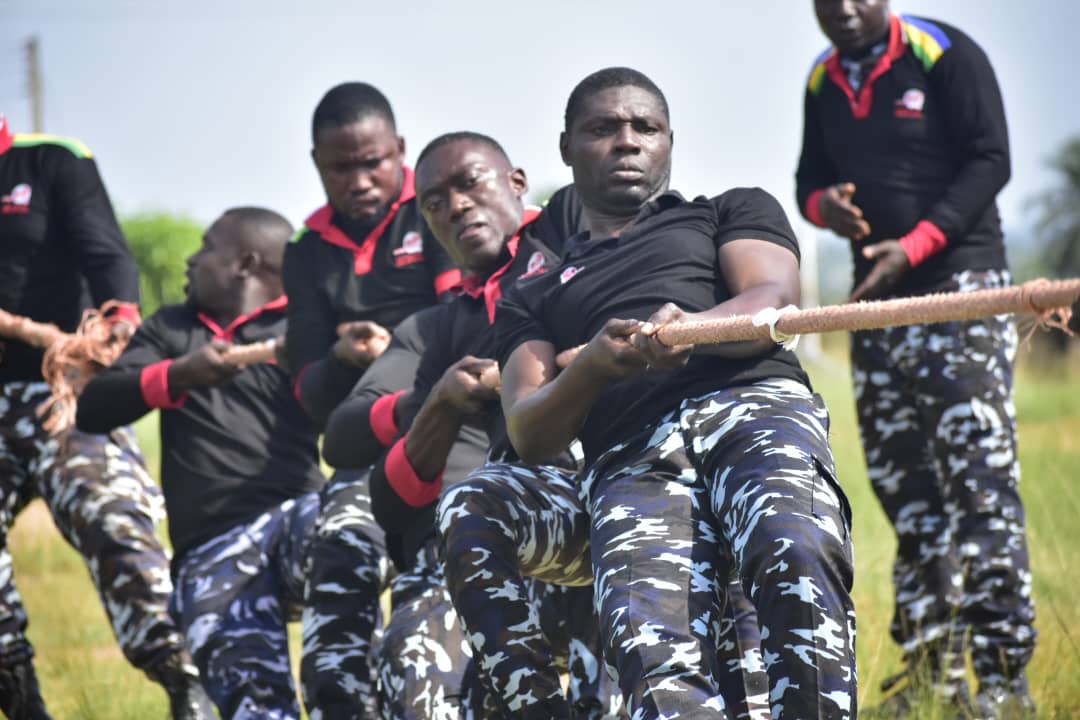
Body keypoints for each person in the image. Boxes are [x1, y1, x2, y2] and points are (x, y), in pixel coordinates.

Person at [496, 67, 856, 720]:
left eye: (646, 127)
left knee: (795, 547)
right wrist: (593, 368)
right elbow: (528, 428)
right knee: (649, 643)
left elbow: (773, 298)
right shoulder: (531, 290)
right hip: (629, 455)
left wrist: (690, 328)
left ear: (669, 141)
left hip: (753, 408)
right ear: (566, 148)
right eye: (603, 128)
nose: (627, 141)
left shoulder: (728, 211)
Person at [324, 136, 621, 719]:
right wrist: (437, 403)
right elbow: (344, 439)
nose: (455, 206)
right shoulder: (434, 331)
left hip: (600, 510)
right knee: (412, 671)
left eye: (469, 184)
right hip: (471, 547)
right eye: (433, 202)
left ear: (517, 183)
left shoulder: (567, 243)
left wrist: (526, 371)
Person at [796, 3, 1036, 715]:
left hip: (959, 292)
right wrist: (827, 208)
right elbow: (806, 183)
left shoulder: (944, 53)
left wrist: (914, 246)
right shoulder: (823, 78)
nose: (843, 9)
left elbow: (993, 159)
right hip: (874, 308)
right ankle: (934, 676)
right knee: (908, 495)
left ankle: (1004, 682)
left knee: (980, 489)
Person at [0, 116, 213, 718]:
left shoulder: (51, 160)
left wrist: (118, 328)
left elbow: (107, 255)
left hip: (64, 392)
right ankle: (18, 695)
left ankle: (187, 685)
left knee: (115, 519)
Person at [77, 207, 325, 719]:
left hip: (297, 524)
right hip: (213, 553)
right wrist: (179, 375)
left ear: (244, 264)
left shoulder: (304, 327)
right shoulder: (172, 328)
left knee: (350, 529)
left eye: (206, 247)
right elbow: (94, 408)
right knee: (256, 710)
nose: (191, 260)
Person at [285, 82, 462, 717]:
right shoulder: (306, 253)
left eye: (373, 163)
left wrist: (398, 356)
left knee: (428, 641)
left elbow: (462, 322)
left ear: (401, 151)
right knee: (337, 574)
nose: (359, 181)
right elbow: (310, 392)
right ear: (316, 164)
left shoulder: (439, 210)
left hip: (456, 446)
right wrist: (343, 357)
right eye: (341, 167)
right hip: (362, 449)